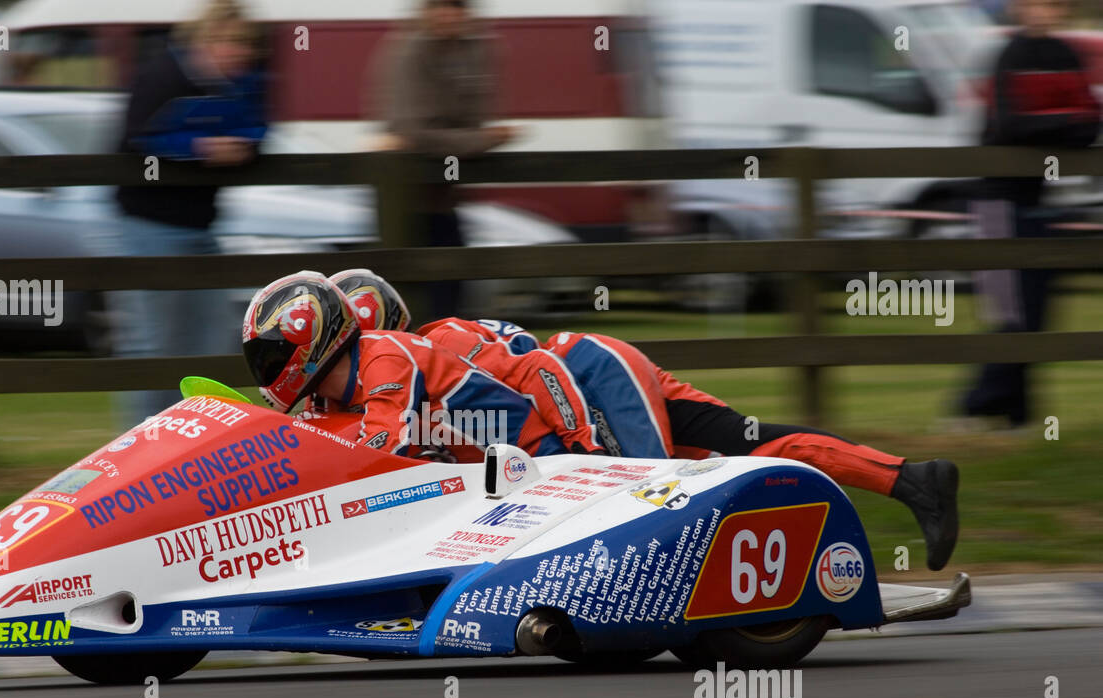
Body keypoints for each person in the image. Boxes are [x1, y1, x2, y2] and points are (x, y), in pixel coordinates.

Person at [541, 331, 960, 571]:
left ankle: (914, 481)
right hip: (584, 373)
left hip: (585, 373)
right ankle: (914, 480)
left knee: (688, 479)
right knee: (736, 459)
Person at [110, 0, 267, 428]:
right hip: (148, 224)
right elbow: (129, 145)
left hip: (202, 225)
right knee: (154, 342)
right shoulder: (161, 76)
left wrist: (245, 149)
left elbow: (259, 133)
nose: (239, 54)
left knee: (210, 338)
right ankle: (135, 443)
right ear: (205, 41)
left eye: (244, 45)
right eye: (230, 44)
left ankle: (191, 438)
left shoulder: (242, 85)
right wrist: (198, 150)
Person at [241, 273, 585, 459]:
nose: (267, 367)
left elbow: (383, 445)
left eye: (271, 355)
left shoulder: (385, 356)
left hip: (535, 463)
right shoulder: (325, 394)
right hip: (475, 475)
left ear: (310, 336)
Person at [960, 0, 1100, 427]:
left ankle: (1015, 417)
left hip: (1043, 202)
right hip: (999, 199)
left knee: (1035, 315)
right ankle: (974, 409)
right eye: (1033, 4)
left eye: (1051, 5)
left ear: (1062, 11)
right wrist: (1061, 122)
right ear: (1020, 9)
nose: (1041, 12)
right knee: (1010, 314)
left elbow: (1090, 123)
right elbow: (1008, 125)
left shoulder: (1066, 55)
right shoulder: (1008, 56)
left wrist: (1049, 121)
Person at [368, 0, 520, 318]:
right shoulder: (409, 52)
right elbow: (413, 132)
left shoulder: (474, 50)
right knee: (410, 299)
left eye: (456, 7)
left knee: (452, 292)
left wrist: (469, 139)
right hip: (406, 201)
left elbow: (471, 114)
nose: (448, 15)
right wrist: (482, 140)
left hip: (444, 197)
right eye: (441, 6)